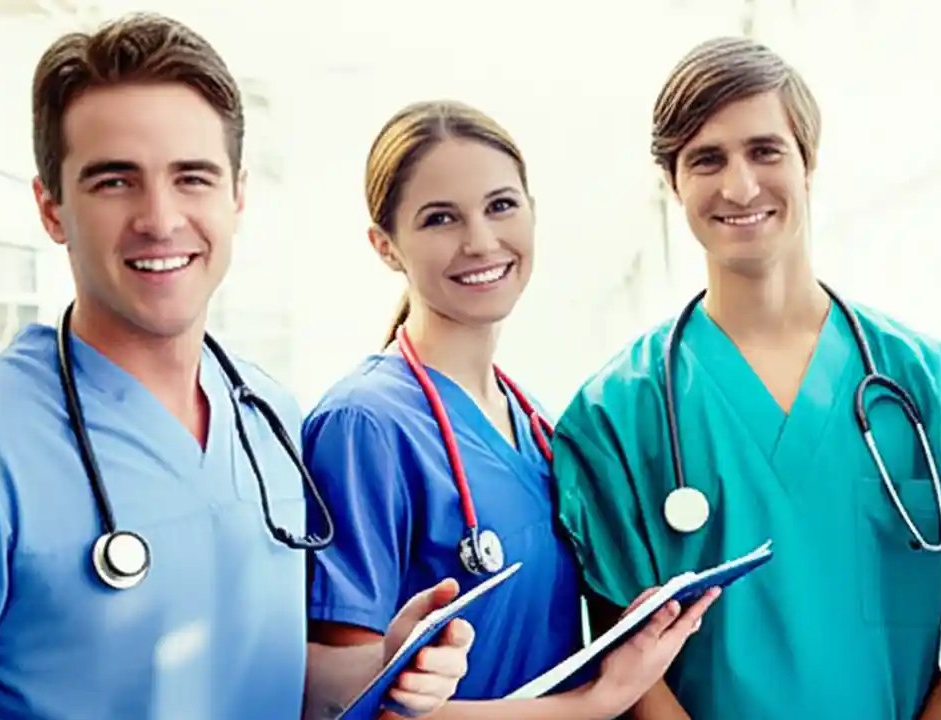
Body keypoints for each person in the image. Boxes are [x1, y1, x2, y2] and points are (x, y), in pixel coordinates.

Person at [0, 14, 471, 720]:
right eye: (114, 182)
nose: (160, 218)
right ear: (50, 208)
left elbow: (280, 685)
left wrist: (387, 665)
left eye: (192, 178)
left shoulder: (268, 414)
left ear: (237, 196)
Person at [550, 37, 941, 719]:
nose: (740, 186)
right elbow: (629, 674)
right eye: (706, 160)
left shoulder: (934, 388)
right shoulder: (614, 420)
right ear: (672, 182)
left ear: (809, 162)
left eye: (765, 151)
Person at [299, 99, 719, 720]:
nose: (480, 241)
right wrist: (597, 701)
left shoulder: (537, 427)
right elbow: (347, 703)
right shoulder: (365, 426)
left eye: (501, 206)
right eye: (440, 218)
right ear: (386, 247)